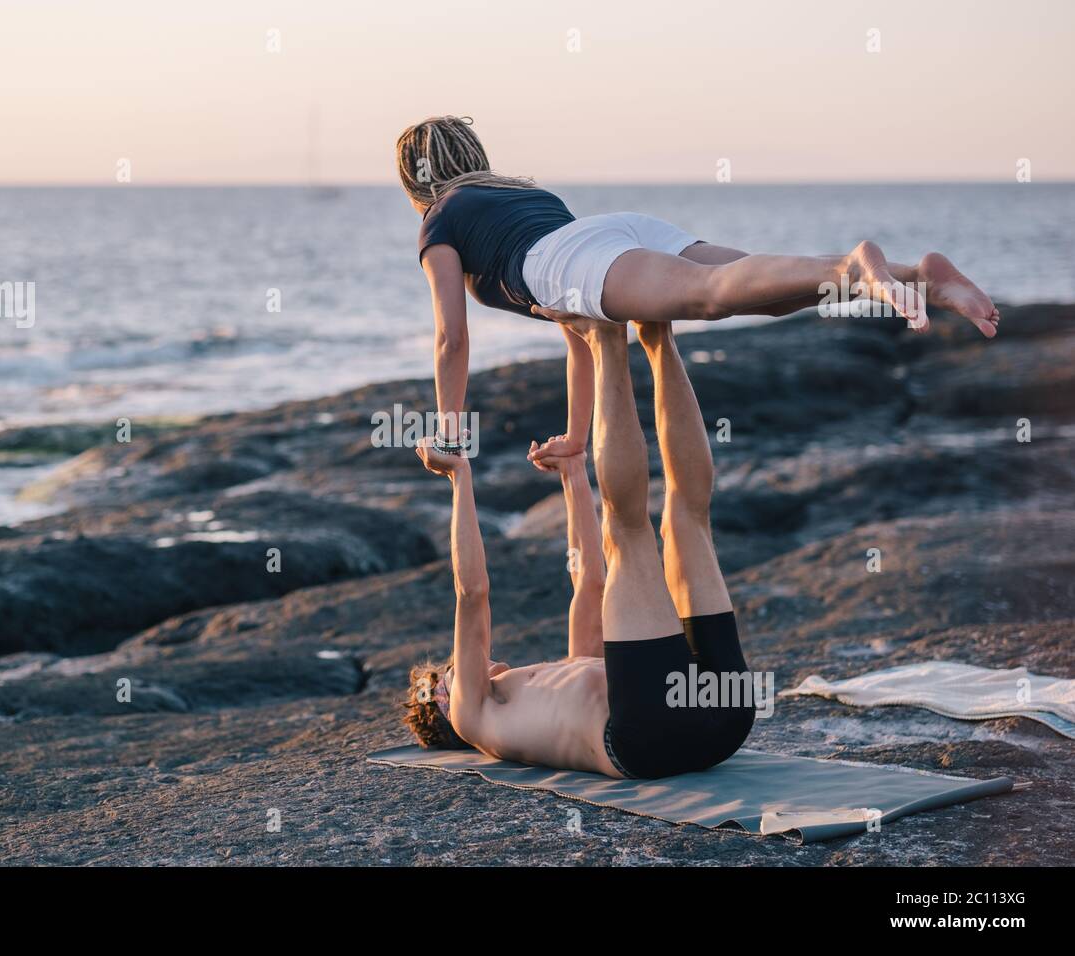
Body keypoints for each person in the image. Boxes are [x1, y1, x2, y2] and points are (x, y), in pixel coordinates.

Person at [397, 115, 1000, 460]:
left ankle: (855, 264)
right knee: (751, 291)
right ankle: (920, 277)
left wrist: (450, 435)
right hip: (619, 229)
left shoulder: (440, 220)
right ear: (473, 152)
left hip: (575, 257)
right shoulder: (522, 193)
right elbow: (578, 335)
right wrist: (576, 439)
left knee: (713, 294)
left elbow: (452, 336)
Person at [403, 318, 757, 779]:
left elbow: (590, 580)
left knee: (686, 518)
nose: (461, 662)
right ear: (442, 698)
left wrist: (572, 475)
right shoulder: (473, 717)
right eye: (448, 670)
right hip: (646, 737)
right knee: (628, 533)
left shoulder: (563, 676)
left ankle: (657, 334)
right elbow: (472, 592)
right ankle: (606, 336)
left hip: (720, 721)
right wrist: (458, 477)